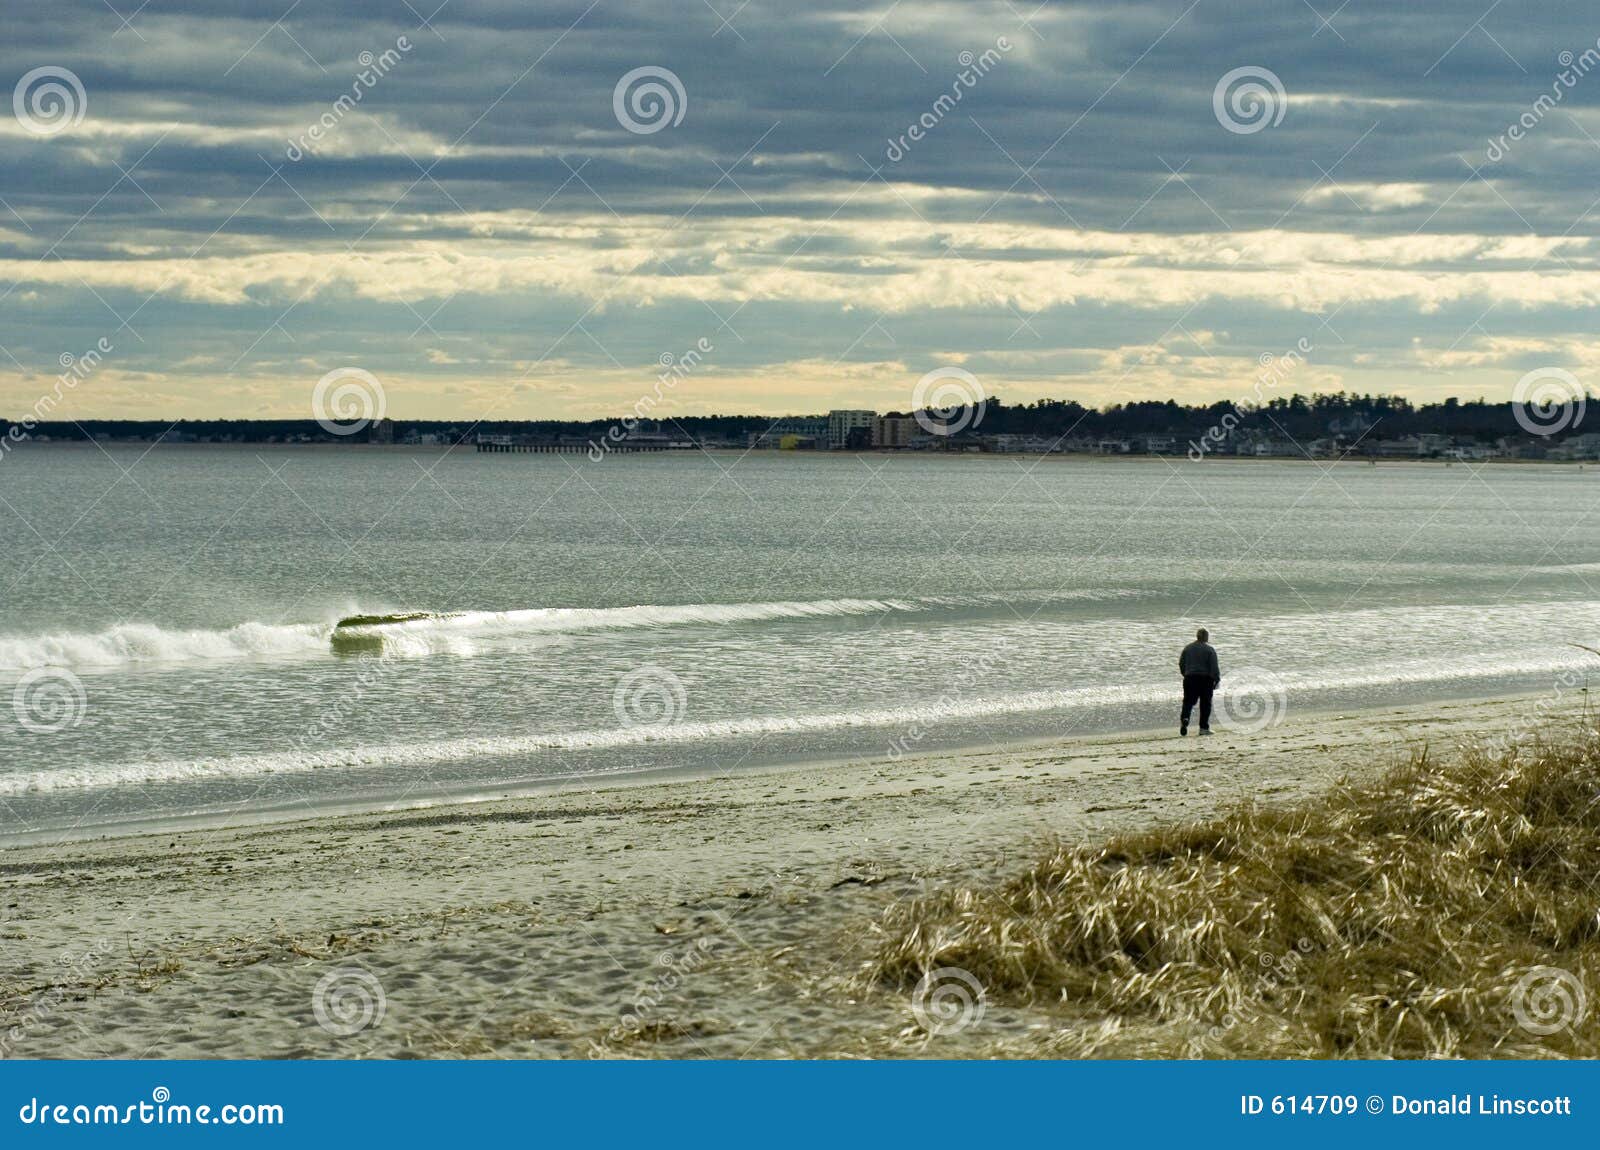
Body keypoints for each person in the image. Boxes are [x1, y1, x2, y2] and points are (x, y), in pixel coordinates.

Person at [1178, 627, 1221, 736]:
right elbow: (1214, 666)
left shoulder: (1187, 648)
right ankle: (1203, 728)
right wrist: (1216, 679)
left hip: (1190, 678)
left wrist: (1185, 674)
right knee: (1205, 704)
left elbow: (1181, 663)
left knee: (1188, 702)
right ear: (1206, 637)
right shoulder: (1209, 649)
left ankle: (1185, 719)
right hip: (1205, 679)